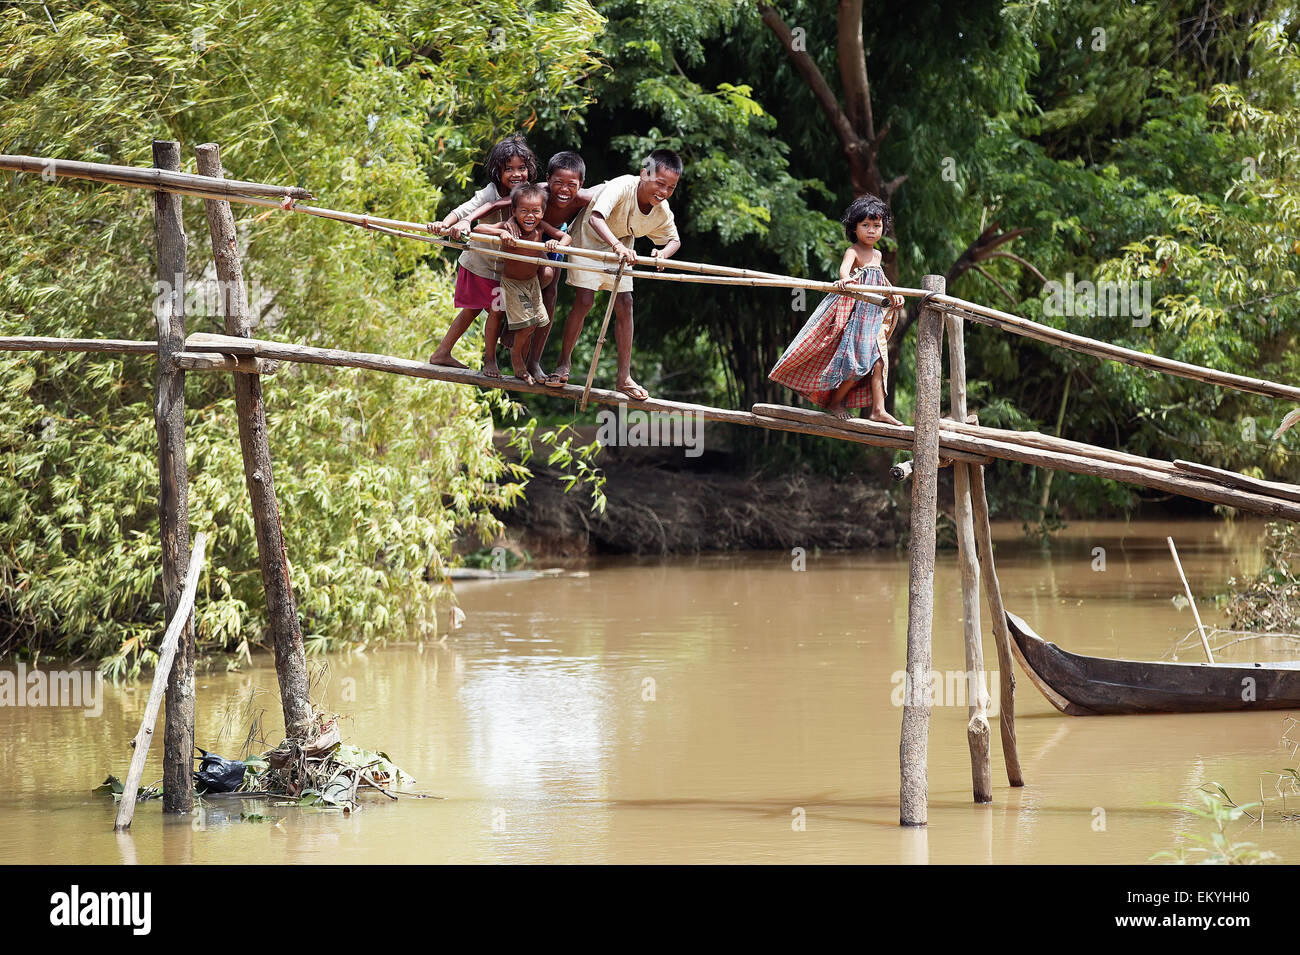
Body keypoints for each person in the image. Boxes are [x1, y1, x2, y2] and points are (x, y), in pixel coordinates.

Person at [543, 149, 683, 400]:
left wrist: (663, 254)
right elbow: (596, 218)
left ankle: (624, 377)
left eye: (670, 188)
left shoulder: (662, 209)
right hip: (588, 236)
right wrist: (617, 247)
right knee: (585, 299)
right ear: (644, 174)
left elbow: (674, 239)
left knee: (625, 303)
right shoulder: (622, 186)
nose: (663, 192)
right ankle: (563, 364)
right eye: (659, 184)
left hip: (621, 245)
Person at [458, 151, 596, 381]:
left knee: (548, 293)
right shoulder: (535, 194)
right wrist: (466, 220)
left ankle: (532, 361)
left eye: (571, 185)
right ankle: (494, 354)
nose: (563, 190)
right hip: (519, 246)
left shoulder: (583, 199)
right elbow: (496, 204)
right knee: (498, 307)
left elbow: (568, 234)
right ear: (548, 179)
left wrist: (556, 243)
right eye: (558, 183)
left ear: (581, 185)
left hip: (547, 242)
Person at [768, 195, 905, 423]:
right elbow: (844, 272)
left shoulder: (878, 255)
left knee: (879, 362)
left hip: (874, 319)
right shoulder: (853, 251)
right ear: (854, 228)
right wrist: (845, 280)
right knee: (857, 366)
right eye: (866, 225)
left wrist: (895, 294)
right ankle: (835, 401)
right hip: (857, 318)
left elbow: (881, 282)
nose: (871, 230)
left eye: (877, 226)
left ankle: (878, 409)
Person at [427, 134, 538, 369]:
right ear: (498, 171)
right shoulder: (489, 193)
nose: (516, 174)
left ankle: (443, 352)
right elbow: (463, 211)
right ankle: (489, 360)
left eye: (522, 168)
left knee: (486, 312)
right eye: (509, 169)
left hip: (503, 267)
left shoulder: (529, 194)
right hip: (480, 264)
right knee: (486, 312)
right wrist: (445, 225)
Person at [471, 183, 571, 383]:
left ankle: (516, 349)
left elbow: (566, 237)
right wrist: (500, 233)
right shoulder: (510, 227)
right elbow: (479, 227)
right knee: (496, 312)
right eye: (524, 211)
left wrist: (556, 244)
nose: (530, 216)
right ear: (514, 211)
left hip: (532, 284)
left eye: (535, 211)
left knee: (533, 322)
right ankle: (501, 358)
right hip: (509, 284)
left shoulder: (541, 228)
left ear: (543, 212)